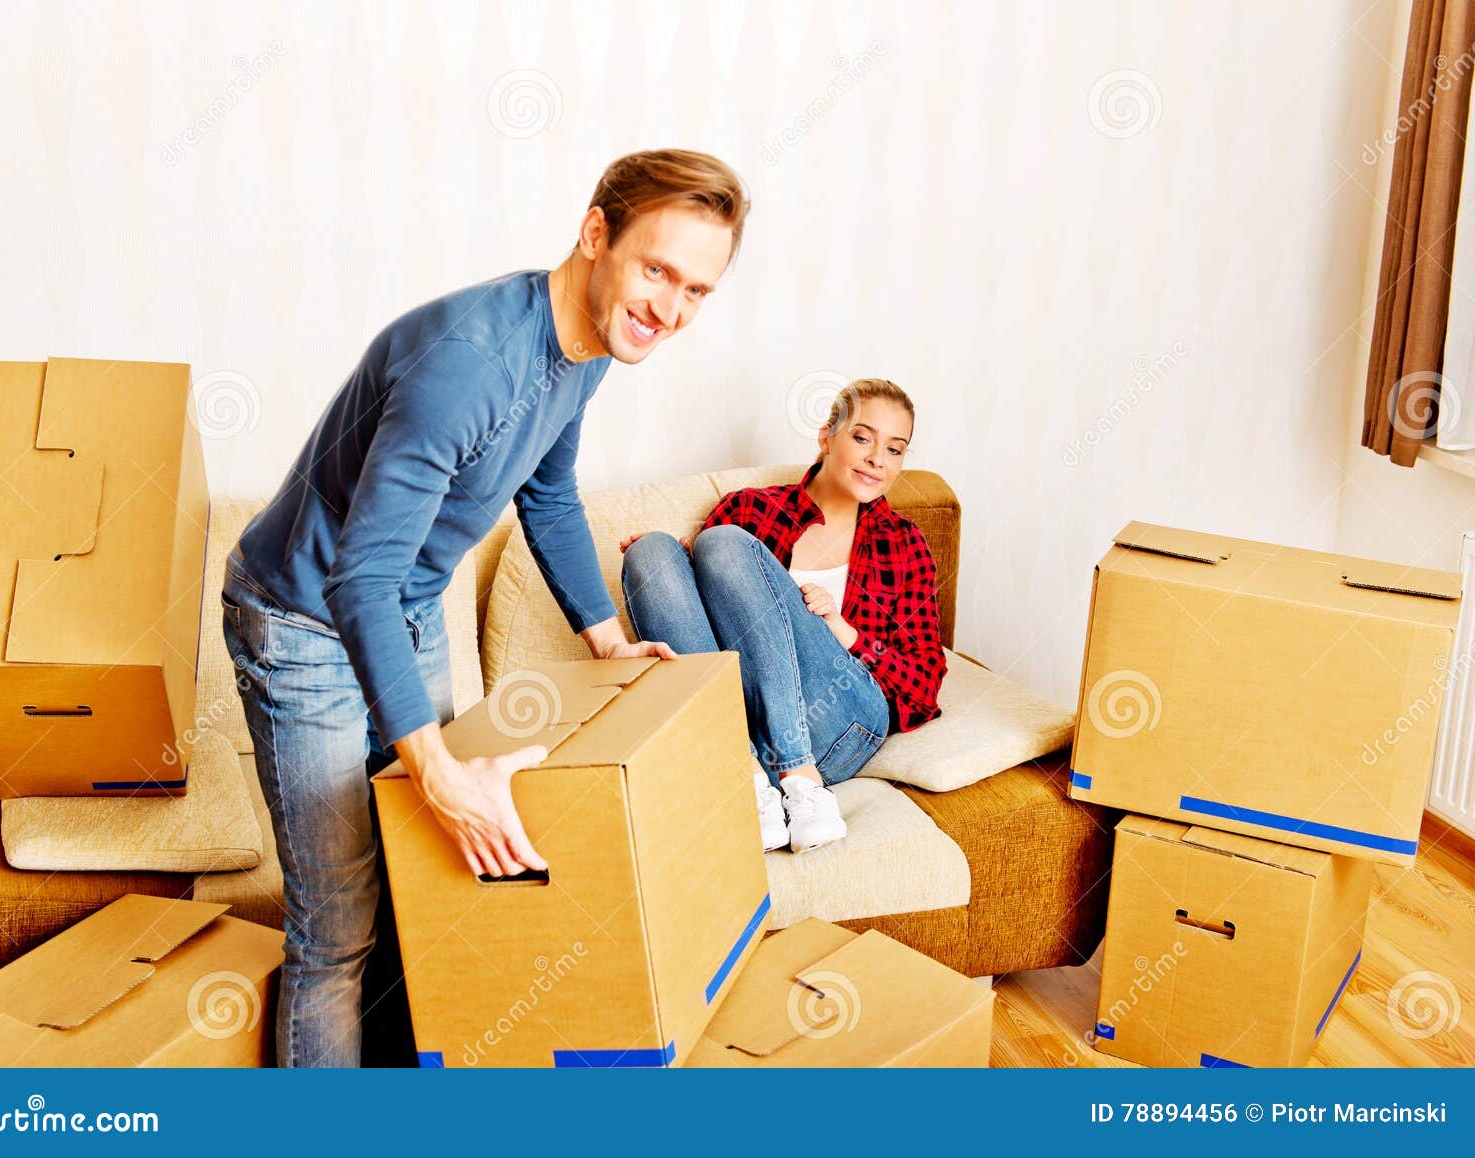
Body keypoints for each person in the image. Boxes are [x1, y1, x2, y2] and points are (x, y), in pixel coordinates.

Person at [221, 149, 749, 1067]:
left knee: (422, 883)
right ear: (596, 235)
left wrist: (609, 640)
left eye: (697, 290)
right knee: (335, 929)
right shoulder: (468, 367)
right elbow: (357, 581)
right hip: (306, 621)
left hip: (405, 607)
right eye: (657, 270)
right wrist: (439, 774)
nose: (670, 311)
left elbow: (547, 491)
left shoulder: (589, 344)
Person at [619, 378, 946, 852]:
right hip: (747, 729)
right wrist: (667, 568)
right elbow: (704, 632)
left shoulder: (904, 543)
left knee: (723, 542)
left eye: (895, 449)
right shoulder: (751, 510)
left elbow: (925, 682)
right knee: (651, 553)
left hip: (840, 722)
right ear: (826, 437)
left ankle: (801, 779)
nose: (878, 459)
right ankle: (747, 777)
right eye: (862, 438)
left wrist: (848, 635)